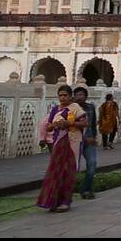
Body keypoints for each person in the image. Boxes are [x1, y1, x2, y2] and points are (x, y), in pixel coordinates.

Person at [36, 84, 87, 212]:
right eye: (60, 95)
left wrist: (69, 123)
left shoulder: (75, 108)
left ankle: (65, 201)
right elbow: (48, 127)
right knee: (55, 170)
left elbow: (85, 123)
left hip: (72, 141)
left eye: (65, 95)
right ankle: (53, 201)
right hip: (58, 142)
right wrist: (54, 125)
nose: (62, 98)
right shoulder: (55, 110)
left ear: (70, 96)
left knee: (68, 171)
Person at [74, 87, 98, 200]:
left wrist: (93, 137)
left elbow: (93, 124)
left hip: (89, 142)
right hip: (74, 142)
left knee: (92, 164)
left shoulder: (90, 108)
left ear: (86, 96)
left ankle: (86, 189)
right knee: (71, 168)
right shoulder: (71, 110)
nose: (80, 97)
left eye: (81, 95)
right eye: (77, 95)